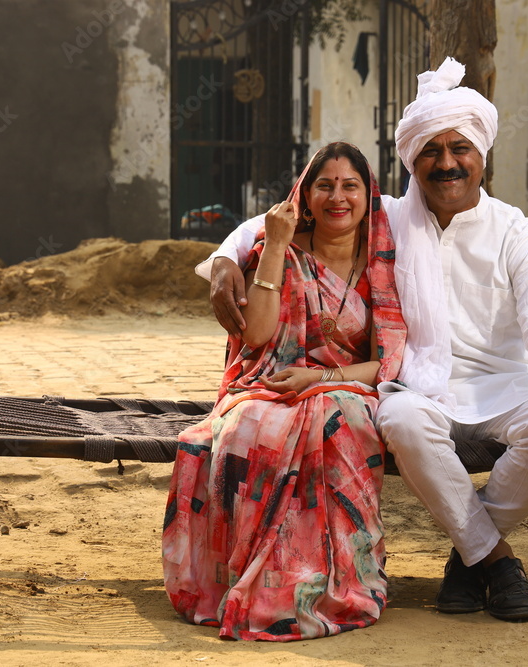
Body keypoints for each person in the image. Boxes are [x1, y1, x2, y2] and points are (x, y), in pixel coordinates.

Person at [202, 58, 528, 622]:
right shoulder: (388, 217)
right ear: (412, 159)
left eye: (460, 148)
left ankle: (471, 556)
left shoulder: (521, 236)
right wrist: (222, 258)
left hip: (505, 387)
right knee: (402, 421)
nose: (447, 162)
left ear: (482, 156)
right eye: (431, 150)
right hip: (419, 384)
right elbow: (284, 217)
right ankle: (496, 559)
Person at [162, 142, 406, 641]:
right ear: (306, 196)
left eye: (350, 185)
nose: (338, 197)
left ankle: (335, 579)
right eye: (325, 185)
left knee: (334, 418)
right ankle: (259, 578)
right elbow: (256, 337)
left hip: (350, 386)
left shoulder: (387, 264)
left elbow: (390, 364)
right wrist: (274, 246)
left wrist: (318, 379)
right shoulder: (284, 251)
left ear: (369, 195)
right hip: (269, 382)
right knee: (251, 425)